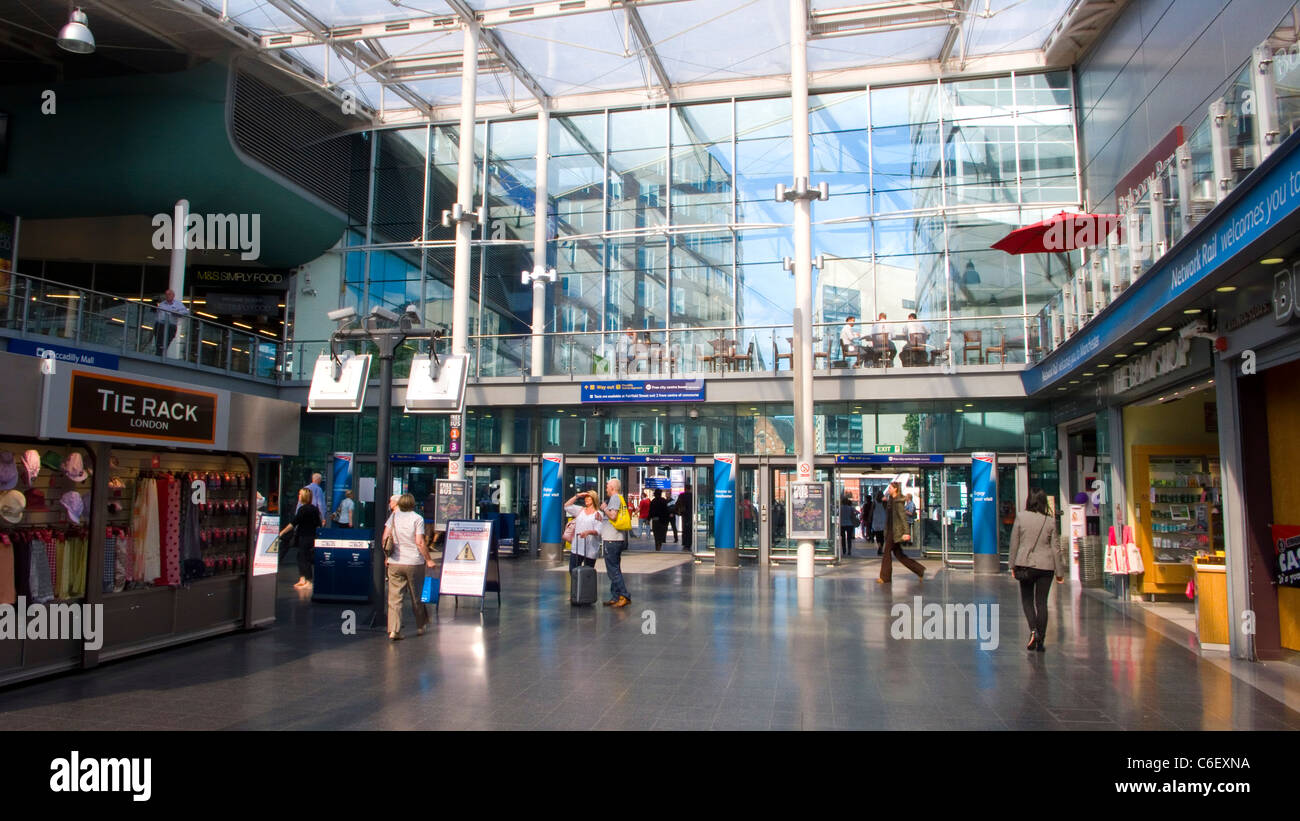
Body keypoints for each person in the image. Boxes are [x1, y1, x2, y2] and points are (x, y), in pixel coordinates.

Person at [1010, 488, 1066, 652]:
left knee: (1027, 600)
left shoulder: (1021, 517)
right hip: (1046, 566)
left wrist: (1012, 565)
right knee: (1041, 602)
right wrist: (1060, 572)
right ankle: (1041, 640)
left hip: (1025, 564)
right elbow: (1055, 548)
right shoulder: (1049, 521)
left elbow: (1014, 542)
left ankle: (1033, 630)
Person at [385, 493, 433, 641]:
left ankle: (394, 630)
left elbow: (384, 538)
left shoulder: (393, 517)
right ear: (413, 504)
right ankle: (420, 626)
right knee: (416, 595)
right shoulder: (417, 518)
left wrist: (387, 557)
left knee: (394, 598)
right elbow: (419, 542)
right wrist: (429, 559)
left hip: (395, 562)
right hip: (414, 562)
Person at [878, 481, 925, 584]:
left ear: (895, 489)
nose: (889, 489)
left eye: (890, 488)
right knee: (899, 554)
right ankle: (919, 570)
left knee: (886, 553)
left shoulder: (898, 502)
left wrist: (907, 532)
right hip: (890, 530)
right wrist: (885, 502)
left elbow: (903, 518)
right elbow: (888, 512)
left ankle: (885, 577)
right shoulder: (891, 500)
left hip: (895, 531)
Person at [280, 488, 322, 589]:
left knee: (304, 557)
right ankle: (303, 579)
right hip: (311, 536)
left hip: (304, 536)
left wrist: (282, 532)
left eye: (300, 494)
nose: (298, 496)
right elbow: (318, 523)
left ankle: (308, 581)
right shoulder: (314, 509)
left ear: (303, 496)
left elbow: (294, 523)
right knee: (300, 556)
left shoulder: (303, 509)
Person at [600, 478, 631, 607]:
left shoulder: (614, 498)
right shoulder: (621, 498)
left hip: (612, 539)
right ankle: (615, 595)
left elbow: (613, 516)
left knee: (612, 570)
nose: (606, 489)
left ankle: (624, 595)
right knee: (615, 568)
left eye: (607, 487)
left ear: (612, 488)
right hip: (617, 538)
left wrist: (604, 508)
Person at [564, 492, 603, 572]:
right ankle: (576, 585)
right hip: (577, 547)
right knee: (573, 571)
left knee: (588, 573)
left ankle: (586, 585)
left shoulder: (598, 514)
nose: (586, 499)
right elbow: (566, 506)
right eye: (585, 497)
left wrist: (588, 532)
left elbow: (598, 531)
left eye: (588, 497)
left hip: (590, 548)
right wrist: (577, 496)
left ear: (594, 499)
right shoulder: (580, 510)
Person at [154, 288, 190, 355]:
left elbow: (185, 312)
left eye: (169, 294)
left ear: (173, 295)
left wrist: (177, 312)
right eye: (166, 294)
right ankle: (159, 354)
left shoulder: (178, 304)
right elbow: (158, 314)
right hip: (161, 325)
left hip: (171, 325)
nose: (167, 296)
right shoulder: (162, 304)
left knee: (166, 341)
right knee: (159, 342)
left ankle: (162, 354)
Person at [675, 482, 694, 553]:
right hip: (690, 514)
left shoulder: (682, 495)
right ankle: (689, 544)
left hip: (684, 514)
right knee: (689, 529)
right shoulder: (692, 496)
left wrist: (677, 512)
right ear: (690, 489)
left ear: (685, 488)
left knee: (685, 529)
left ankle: (685, 544)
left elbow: (677, 504)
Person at [839, 493, 858, 557]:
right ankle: (849, 550)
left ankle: (844, 550)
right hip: (849, 524)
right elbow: (856, 513)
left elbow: (837, 514)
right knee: (849, 538)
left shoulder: (840, 508)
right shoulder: (851, 508)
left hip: (842, 524)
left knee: (843, 538)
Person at [870, 491, 887, 556]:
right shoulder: (884, 502)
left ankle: (879, 546)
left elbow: (871, 511)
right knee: (882, 535)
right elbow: (887, 510)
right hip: (883, 519)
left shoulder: (874, 502)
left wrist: (870, 518)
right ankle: (881, 547)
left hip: (876, 519)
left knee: (877, 534)